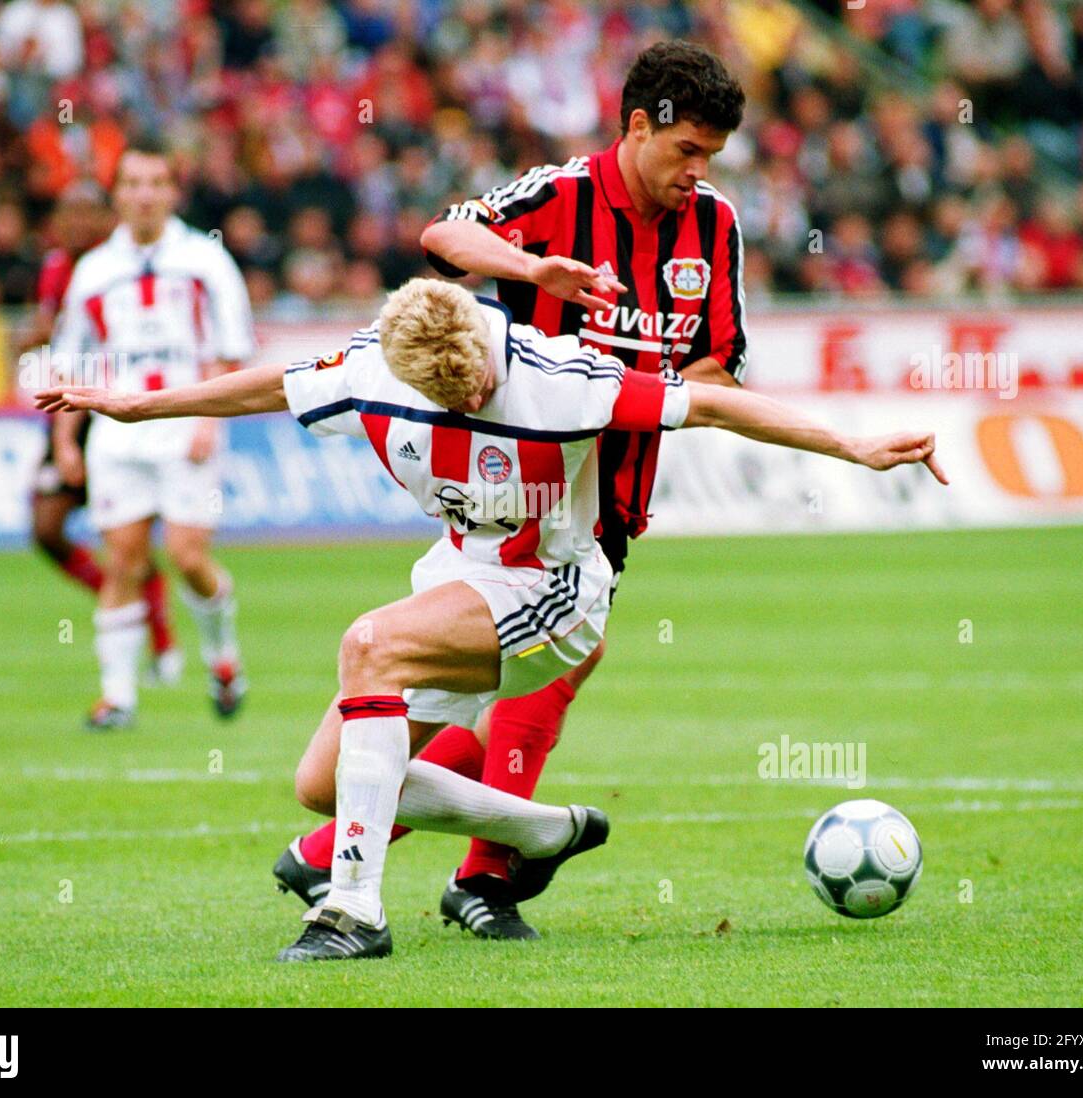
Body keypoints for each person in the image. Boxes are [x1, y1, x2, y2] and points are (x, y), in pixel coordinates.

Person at [36, 278, 947, 960]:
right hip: (462, 576)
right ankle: (538, 830)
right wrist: (136, 406)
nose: (469, 398)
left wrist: (853, 444)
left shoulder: (563, 381)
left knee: (369, 644)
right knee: (326, 786)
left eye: (474, 381)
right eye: (448, 394)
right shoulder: (371, 367)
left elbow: (705, 402)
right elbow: (272, 387)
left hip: (559, 591)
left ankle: (353, 909)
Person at [281, 39, 753, 938]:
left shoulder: (716, 226)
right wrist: (531, 270)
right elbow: (444, 236)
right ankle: (484, 877)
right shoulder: (559, 193)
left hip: (610, 506)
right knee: (540, 671)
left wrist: (636, 394)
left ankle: (354, 856)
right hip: (513, 496)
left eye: (712, 157)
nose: (699, 173)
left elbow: (719, 367)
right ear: (638, 125)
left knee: (508, 681)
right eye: (687, 150)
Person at [51, 141, 253, 729]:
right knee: (124, 561)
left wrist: (210, 421)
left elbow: (231, 350)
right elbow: (73, 362)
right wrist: (67, 439)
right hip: (117, 436)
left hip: (184, 424)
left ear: (172, 192)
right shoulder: (94, 270)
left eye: (155, 183)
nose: (143, 194)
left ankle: (222, 656)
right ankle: (118, 696)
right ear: (117, 194)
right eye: (133, 183)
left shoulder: (205, 260)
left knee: (188, 556)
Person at [25, 182, 182, 686]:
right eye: (64, 211)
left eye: (84, 212)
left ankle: (155, 637)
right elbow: (59, 337)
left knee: (126, 545)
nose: (72, 223)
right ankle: (134, 604)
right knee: (47, 529)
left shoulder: (120, 264)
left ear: (105, 217)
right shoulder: (58, 267)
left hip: (119, 414)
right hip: (70, 409)